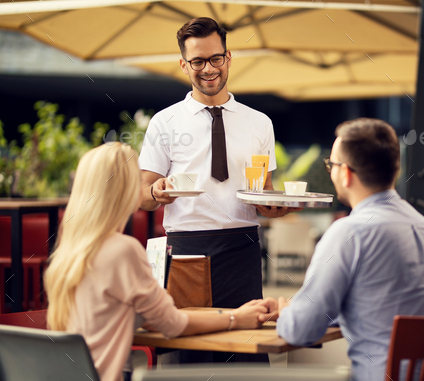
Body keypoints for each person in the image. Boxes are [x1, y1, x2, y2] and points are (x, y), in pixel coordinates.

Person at [137, 17, 299, 363]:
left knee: (246, 352)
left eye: (215, 59)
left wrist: (276, 206)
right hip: (185, 252)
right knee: (187, 356)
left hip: (242, 248)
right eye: (197, 61)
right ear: (184, 64)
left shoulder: (259, 122)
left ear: (228, 57)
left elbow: (264, 191)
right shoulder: (165, 122)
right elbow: (141, 194)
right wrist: (156, 193)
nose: (208, 69)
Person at [44, 143, 271, 381]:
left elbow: (152, 319)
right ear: (125, 189)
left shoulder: (69, 252)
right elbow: (172, 324)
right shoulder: (123, 250)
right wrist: (236, 317)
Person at [260, 118, 424, 381]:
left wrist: (287, 312)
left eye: (332, 164)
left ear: (346, 173)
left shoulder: (349, 232)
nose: (331, 171)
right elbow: (383, 302)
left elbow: (300, 331)